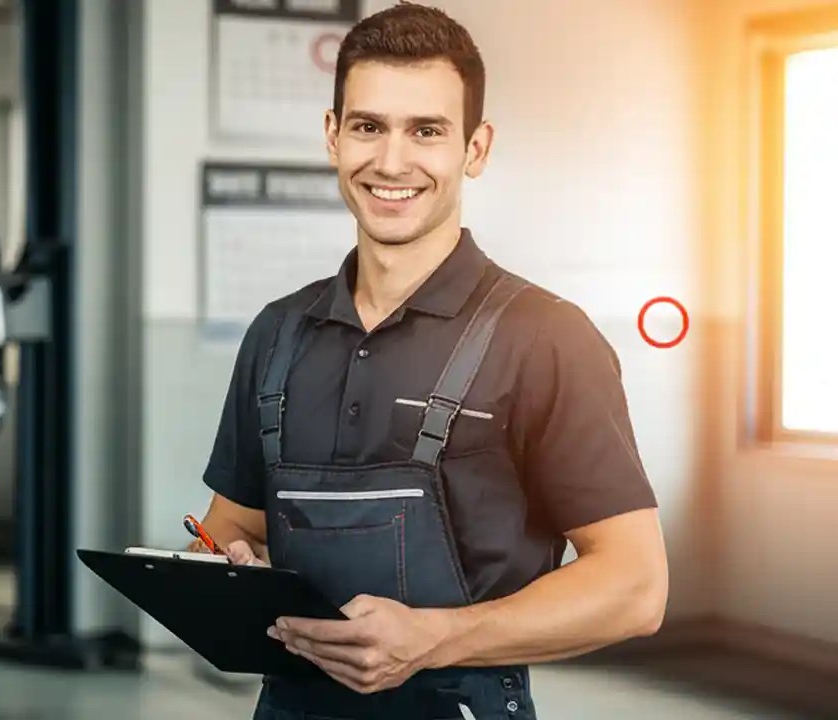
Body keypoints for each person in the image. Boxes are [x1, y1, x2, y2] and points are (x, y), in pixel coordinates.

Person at [189, 3, 668, 718]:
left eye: (427, 131)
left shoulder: (545, 338)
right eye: (368, 127)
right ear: (332, 136)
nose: (390, 162)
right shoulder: (278, 334)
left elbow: (634, 586)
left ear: (475, 149)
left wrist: (438, 637)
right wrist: (222, 570)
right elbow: (230, 529)